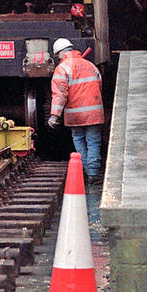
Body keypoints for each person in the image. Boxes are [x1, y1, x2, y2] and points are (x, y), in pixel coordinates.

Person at [46, 37, 105, 183]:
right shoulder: (90, 65)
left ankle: (85, 170)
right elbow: (99, 86)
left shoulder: (62, 68)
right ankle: (93, 174)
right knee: (93, 141)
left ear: (60, 53)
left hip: (75, 114)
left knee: (79, 139)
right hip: (94, 112)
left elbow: (60, 94)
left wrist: (54, 116)